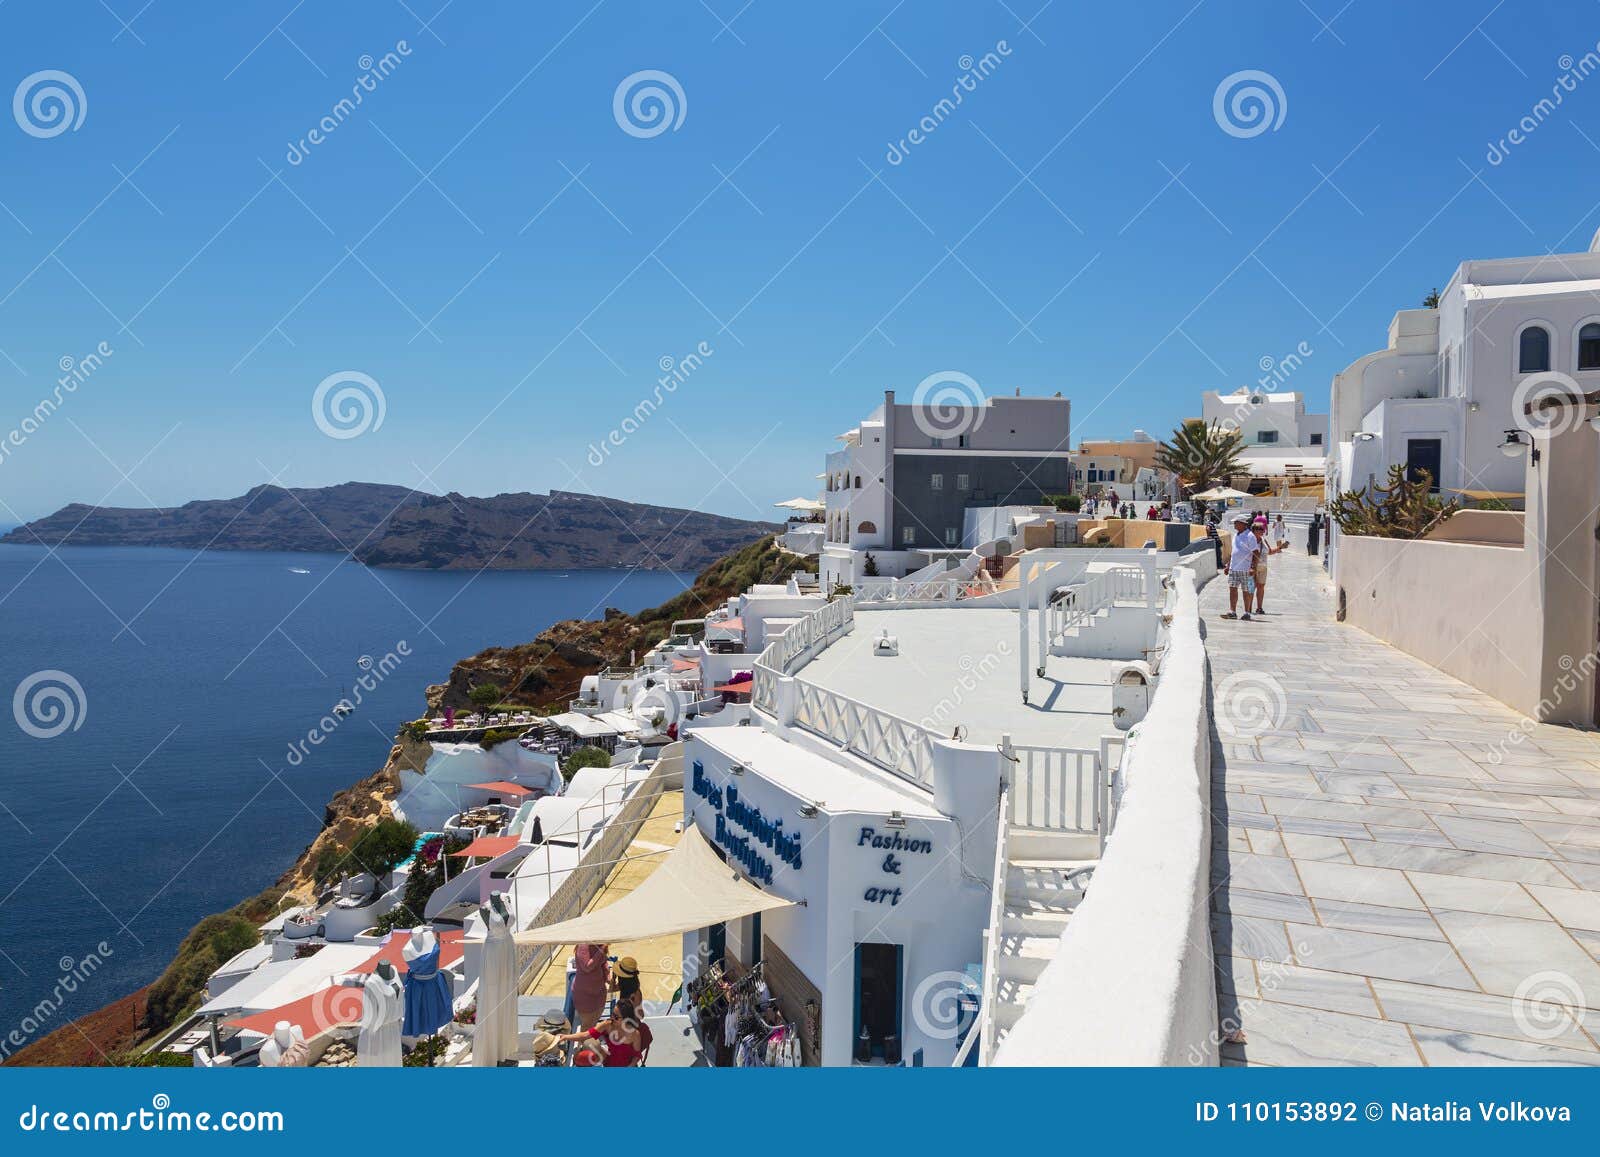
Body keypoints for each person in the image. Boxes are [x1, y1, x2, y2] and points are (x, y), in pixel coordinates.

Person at [558, 999, 644, 1067]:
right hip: (608, 1065)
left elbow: (636, 1056)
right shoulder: (607, 1024)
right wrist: (566, 1037)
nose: (612, 1018)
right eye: (612, 1014)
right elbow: (586, 1035)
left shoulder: (635, 1034)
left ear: (626, 1019)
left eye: (616, 1017)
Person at [1221, 514, 1259, 620]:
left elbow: (1256, 553)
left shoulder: (1250, 536)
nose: (1234, 524)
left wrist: (1253, 567)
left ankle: (1247, 612)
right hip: (1234, 567)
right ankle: (1232, 611)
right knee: (1232, 589)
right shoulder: (1236, 535)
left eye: (1236, 522)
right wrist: (1228, 566)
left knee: (1245, 590)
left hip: (1245, 568)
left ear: (1242, 523)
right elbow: (1234, 552)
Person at [571, 943, 610, 1030]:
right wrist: (602, 949)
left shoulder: (600, 944)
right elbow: (587, 967)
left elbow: (604, 961)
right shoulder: (583, 946)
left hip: (600, 992)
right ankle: (584, 1042)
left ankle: (590, 1040)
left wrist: (607, 975)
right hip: (584, 995)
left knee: (595, 1020)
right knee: (587, 1024)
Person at [1251, 515, 1274, 614]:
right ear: (1254, 530)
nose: (1262, 531)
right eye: (1260, 529)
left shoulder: (1264, 540)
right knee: (1251, 588)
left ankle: (1259, 607)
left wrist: (1281, 547)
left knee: (1261, 587)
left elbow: (1270, 551)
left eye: (1263, 529)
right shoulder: (1250, 540)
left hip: (1263, 567)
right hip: (1252, 568)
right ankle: (1248, 608)